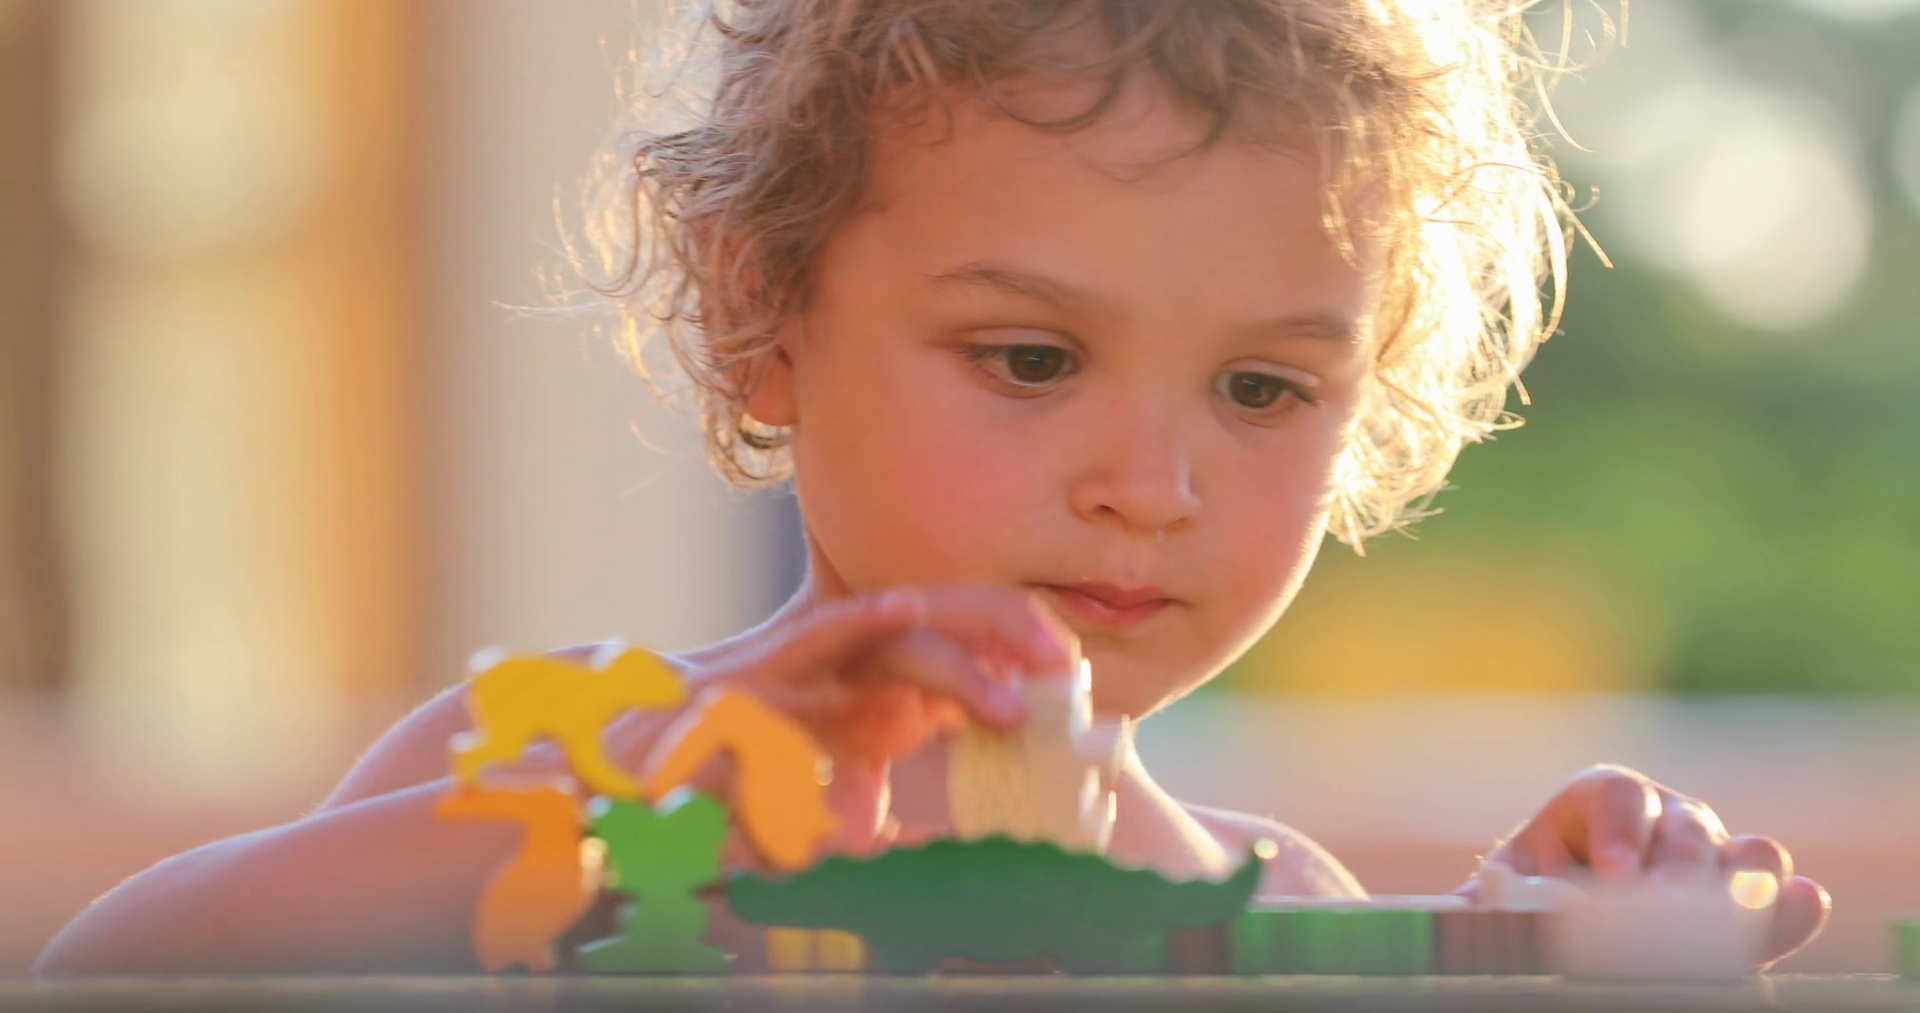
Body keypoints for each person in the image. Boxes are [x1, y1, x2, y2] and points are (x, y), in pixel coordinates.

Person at [36, 0, 1828, 974]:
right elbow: (121, 971)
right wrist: (608, 829)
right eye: (1031, 360)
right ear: (764, 310)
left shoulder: (1263, 905)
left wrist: (1507, 949)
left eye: (1264, 387)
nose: (1148, 483)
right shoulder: (587, 768)